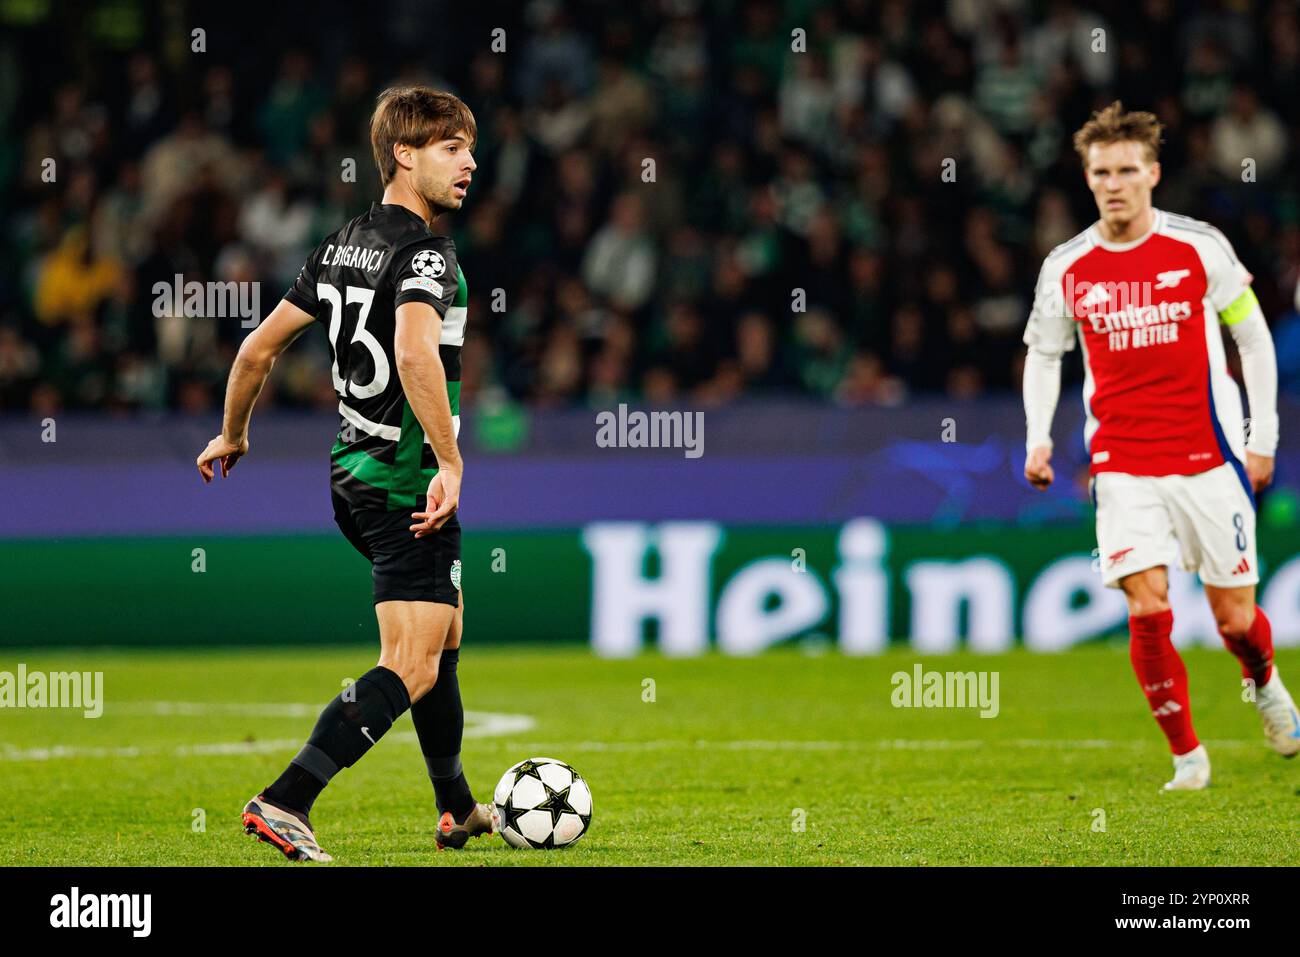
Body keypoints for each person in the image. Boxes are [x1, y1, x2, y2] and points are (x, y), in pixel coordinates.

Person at [196, 86, 490, 858]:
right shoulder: (427, 253)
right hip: (404, 481)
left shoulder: (339, 244)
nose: (470, 162)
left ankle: (455, 806)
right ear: (403, 154)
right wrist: (451, 461)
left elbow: (258, 348)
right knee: (412, 661)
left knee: (443, 636)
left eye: (469, 147)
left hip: (349, 475)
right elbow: (415, 350)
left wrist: (232, 433)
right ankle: (286, 797)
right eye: (451, 147)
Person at [1022, 101, 1298, 790]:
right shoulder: (1068, 266)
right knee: (1146, 606)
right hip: (1121, 464)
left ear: (1152, 173)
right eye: (1099, 172)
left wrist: (1260, 437)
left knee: (1234, 617)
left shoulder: (1198, 247)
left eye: (1125, 170)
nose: (1112, 183)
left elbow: (1254, 338)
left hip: (1209, 457)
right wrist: (1038, 439)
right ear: (1088, 180)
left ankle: (1263, 683)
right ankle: (1186, 755)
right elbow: (1043, 355)